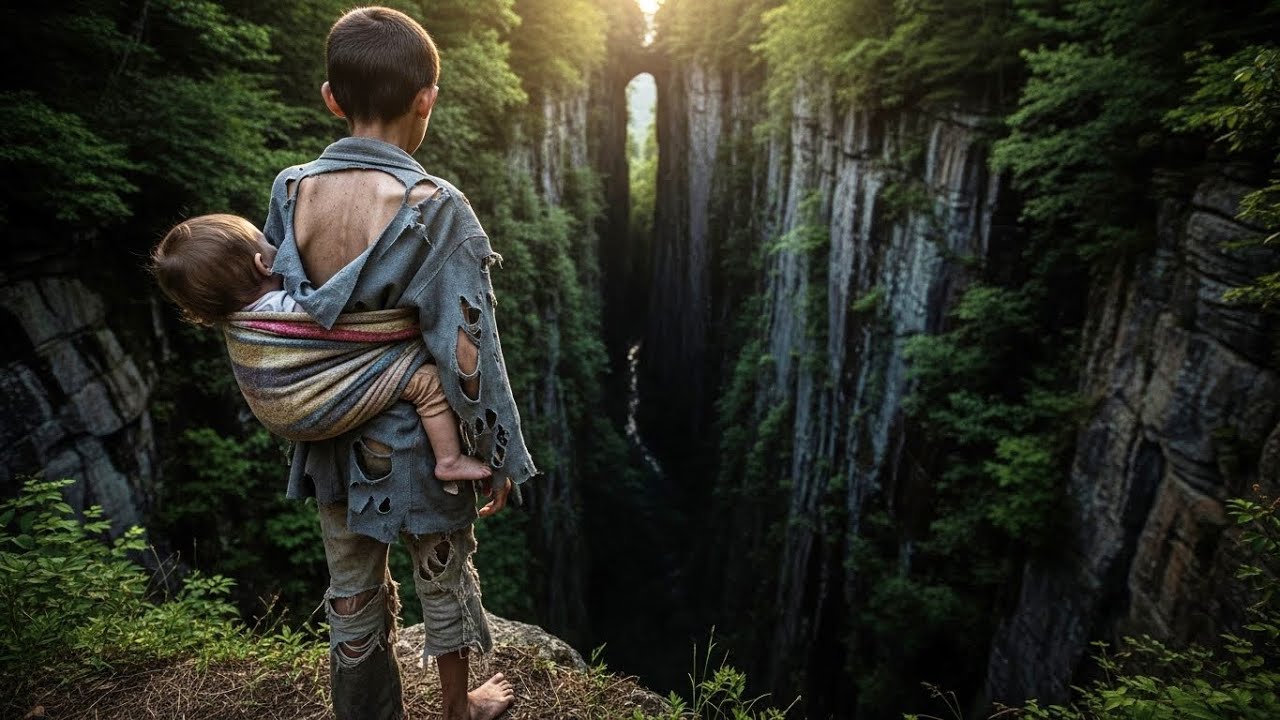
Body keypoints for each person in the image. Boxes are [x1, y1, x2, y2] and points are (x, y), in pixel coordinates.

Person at [264, 7, 538, 720]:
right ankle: (457, 708)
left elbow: (278, 309)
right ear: (427, 99)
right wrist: (496, 450)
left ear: (330, 97)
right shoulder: (434, 206)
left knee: (351, 591)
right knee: (442, 576)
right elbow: (467, 345)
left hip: (330, 433)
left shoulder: (291, 190)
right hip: (420, 439)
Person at [148, 213, 494, 494]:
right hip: (312, 406)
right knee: (427, 383)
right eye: (268, 244)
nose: (275, 245)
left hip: (283, 415)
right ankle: (448, 461)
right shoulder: (287, 309)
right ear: (262, 264)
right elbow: (345, 321)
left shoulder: (239, 322)